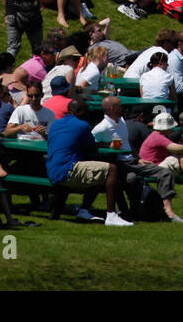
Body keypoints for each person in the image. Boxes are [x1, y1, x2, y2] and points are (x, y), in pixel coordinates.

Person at [46, 97, 133, 226]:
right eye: (85, 111)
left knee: (97, 172)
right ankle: (111, 215)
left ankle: (84, 210)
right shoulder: (82, 125)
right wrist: (107, 145)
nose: (88, 114)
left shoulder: (56, 124)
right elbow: (92, 147)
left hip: (52, 170)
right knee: (112, 169)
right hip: (68, 170)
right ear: (79, 112)